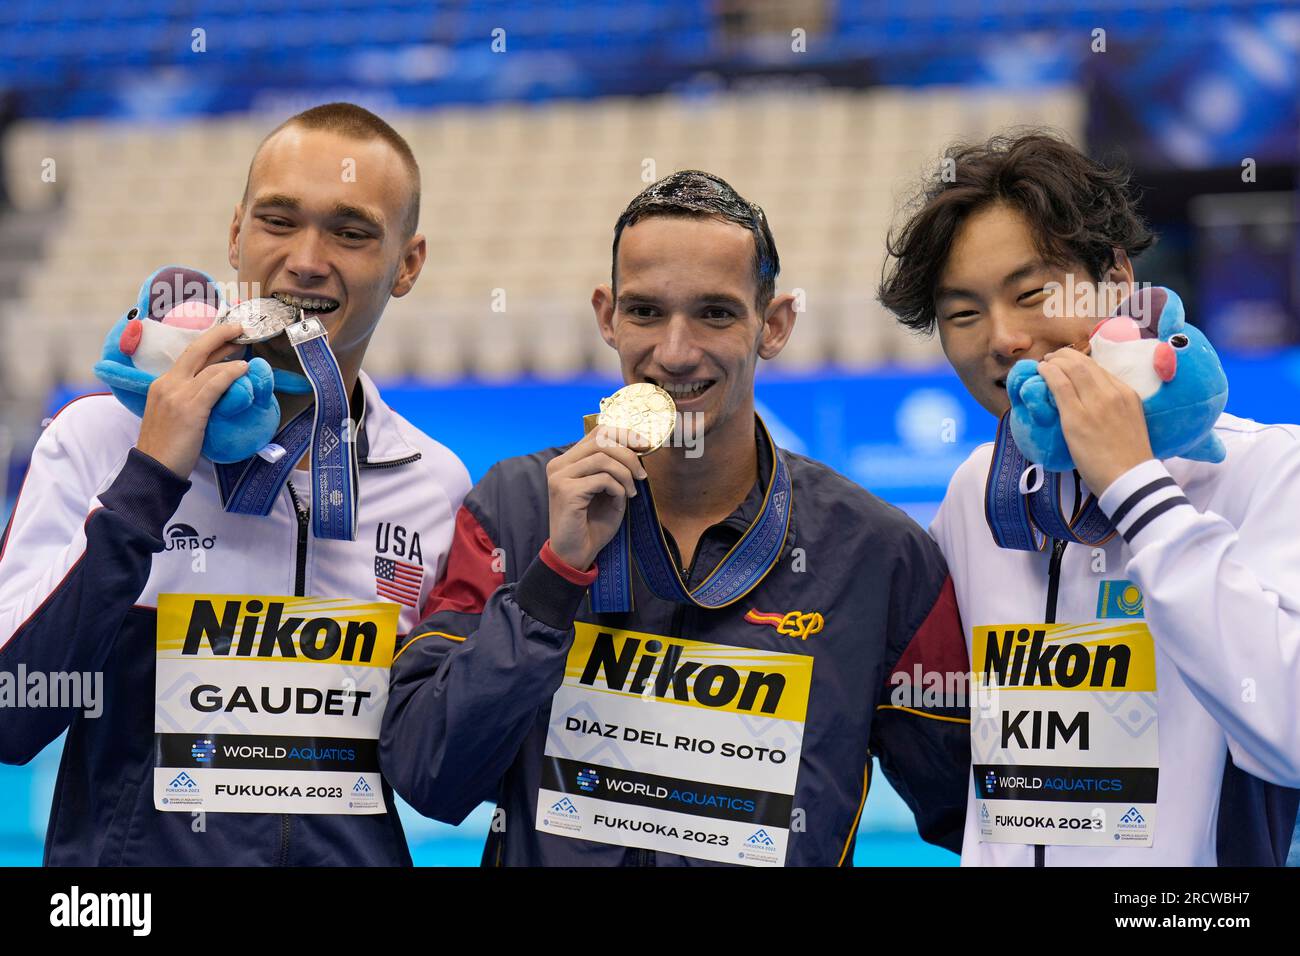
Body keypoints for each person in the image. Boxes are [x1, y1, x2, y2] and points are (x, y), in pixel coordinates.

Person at [381, 170, 970, 866]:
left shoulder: (877, 554)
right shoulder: (515, 507)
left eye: (716, 313)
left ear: (773, 325)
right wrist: (554, 579)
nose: (676, 352)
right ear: (607, 315)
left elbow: (972, 810)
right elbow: (428, 774)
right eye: (645, 312)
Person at [0, 102, 470, 865]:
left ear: (408, 264)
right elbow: (12, 717)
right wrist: (150, 479)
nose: (307, 259)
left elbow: (437, 767)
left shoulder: (433, 483)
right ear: (235, 235)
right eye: (278, 221)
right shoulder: (101, 437)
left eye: (351, 231)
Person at [879, 131, 1300, 865]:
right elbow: (936, 742)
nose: (1004, 339)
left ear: (1116, 280)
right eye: (963, 314)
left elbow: (1289, 730)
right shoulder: (979, 490)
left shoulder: (1265, 469)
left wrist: (1138, 488)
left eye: (1033, 293)